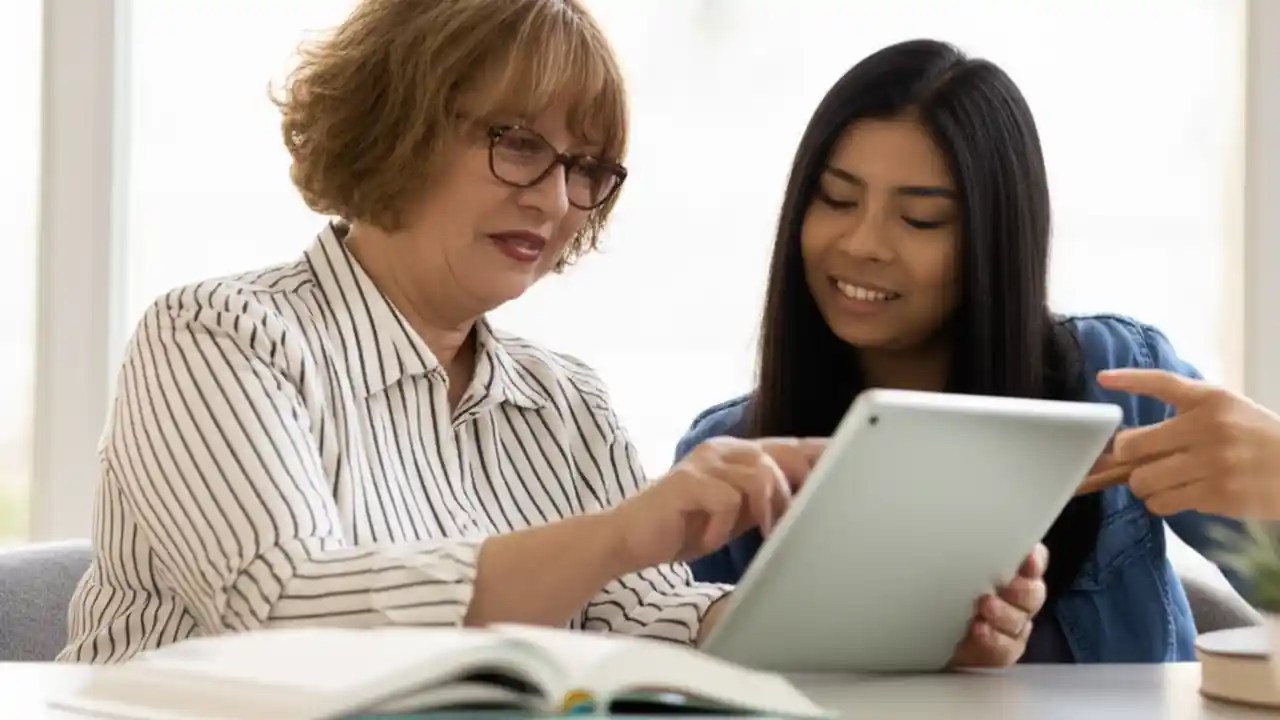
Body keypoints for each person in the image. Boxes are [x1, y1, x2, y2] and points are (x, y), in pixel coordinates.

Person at [58, 3, 1037, 666]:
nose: (556, 198)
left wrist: (897, 627)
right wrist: (617, 534)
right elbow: (280, 613)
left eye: (585, 167)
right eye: (518, 142)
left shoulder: (564, 400)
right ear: (393, 120)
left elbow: (651, 621)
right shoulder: (219, 335)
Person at [676, 38, 1275, 664]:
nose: (862, 243)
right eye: (837, 199)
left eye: (920, 219)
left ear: (995, 239)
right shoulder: (731, 458)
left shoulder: (1118, 378)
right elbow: (681, 680)